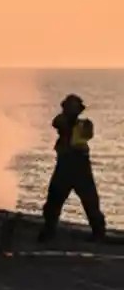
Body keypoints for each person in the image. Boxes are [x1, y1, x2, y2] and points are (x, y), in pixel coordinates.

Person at [39, 94, 106, 242]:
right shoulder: (62, 121)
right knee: (54, 201)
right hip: (65, 165)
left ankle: (98, 233)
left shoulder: (85, 124)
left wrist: (77, 122)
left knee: (90, 202)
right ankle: (48, 231)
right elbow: (57, 123)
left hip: (80, 166)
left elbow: (88, 134)